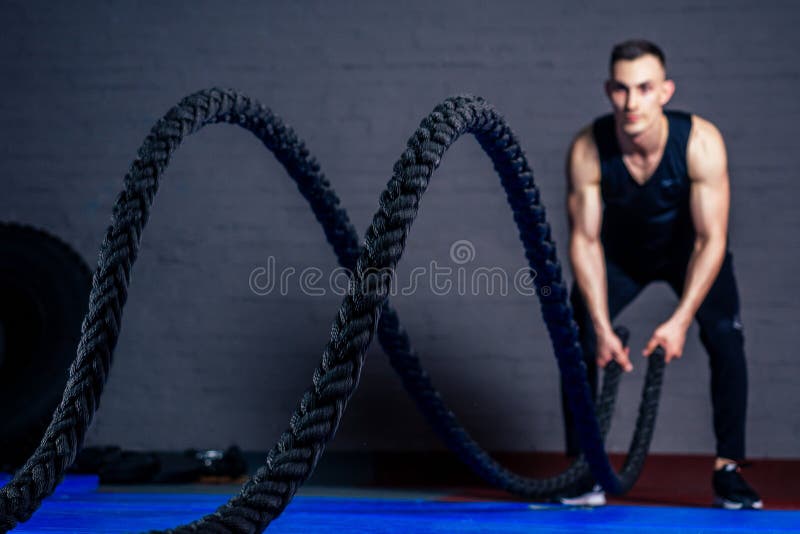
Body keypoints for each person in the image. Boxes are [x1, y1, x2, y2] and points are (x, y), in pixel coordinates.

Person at [558, 39, 762, 510]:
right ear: (609, 90)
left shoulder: (701, 142)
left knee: (726, 335)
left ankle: (728, 468)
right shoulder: (588, 148)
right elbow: (585, 241)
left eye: (645, 88)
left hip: (688, 253)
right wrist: (604, 328)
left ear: (665, 91)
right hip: (622, 256)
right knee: (577, 329)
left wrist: (680, 320)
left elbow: (711, 240)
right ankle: (583, 468)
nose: (632, 103)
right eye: (623, 90)